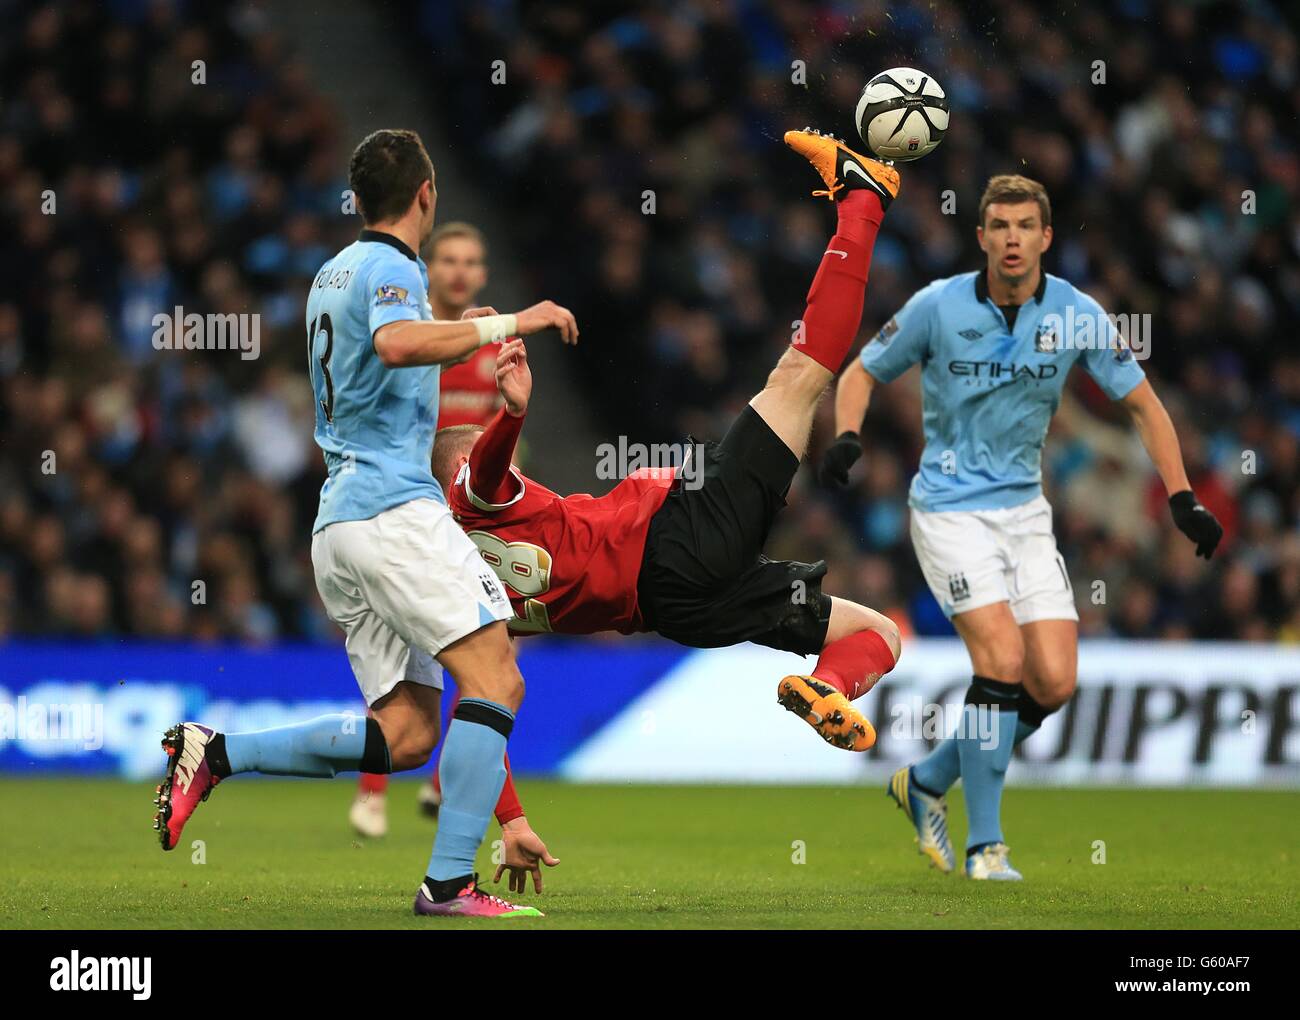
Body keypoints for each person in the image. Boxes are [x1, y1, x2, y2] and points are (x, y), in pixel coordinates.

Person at [153, 129, 575, 917]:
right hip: (391, 512)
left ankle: (214, 755)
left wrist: (457, 339)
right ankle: (449, 884)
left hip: (340, 526)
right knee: (497, 676)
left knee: (409, 734)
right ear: (426, 195)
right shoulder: (392, 268)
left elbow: (374, 369)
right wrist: (508, 323)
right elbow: (391, 344)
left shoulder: (330, 273)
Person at [430, 129, 903, 754]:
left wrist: (510, 817)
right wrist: (509, 412)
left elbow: (491, 694)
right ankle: (863, 201)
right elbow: (481, 469)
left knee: (879, 634)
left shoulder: (459, 587)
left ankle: (828, 686)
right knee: (800, 377)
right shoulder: (474, 488)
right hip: (674, 541)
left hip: (677, 609)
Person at [819, 173, 1224, 880]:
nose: (1011, 239)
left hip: (1025, 514)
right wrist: (848, 435)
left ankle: (922, 782)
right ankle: (987, 846)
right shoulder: (937, 307)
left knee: (1056, 681)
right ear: (981, 237)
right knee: (1002, 663)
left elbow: (1146, 408)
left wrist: (1182, 497)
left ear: (1045, 237)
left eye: (1024, 227)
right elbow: (859, 373)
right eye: (999, 226)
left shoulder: (1074, 314)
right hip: (948, 509)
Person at [350, 221, 517, 840]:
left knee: (494, 652)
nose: (458, 270)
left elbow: (506, 443)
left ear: (480, 274)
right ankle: (375, 792)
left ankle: (444, 784)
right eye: (447, 258)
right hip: (411, 520)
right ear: (429, 268)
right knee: (404, 659)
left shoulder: (492, 348)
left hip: (471, 522)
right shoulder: (412, 341)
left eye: (470, 261)